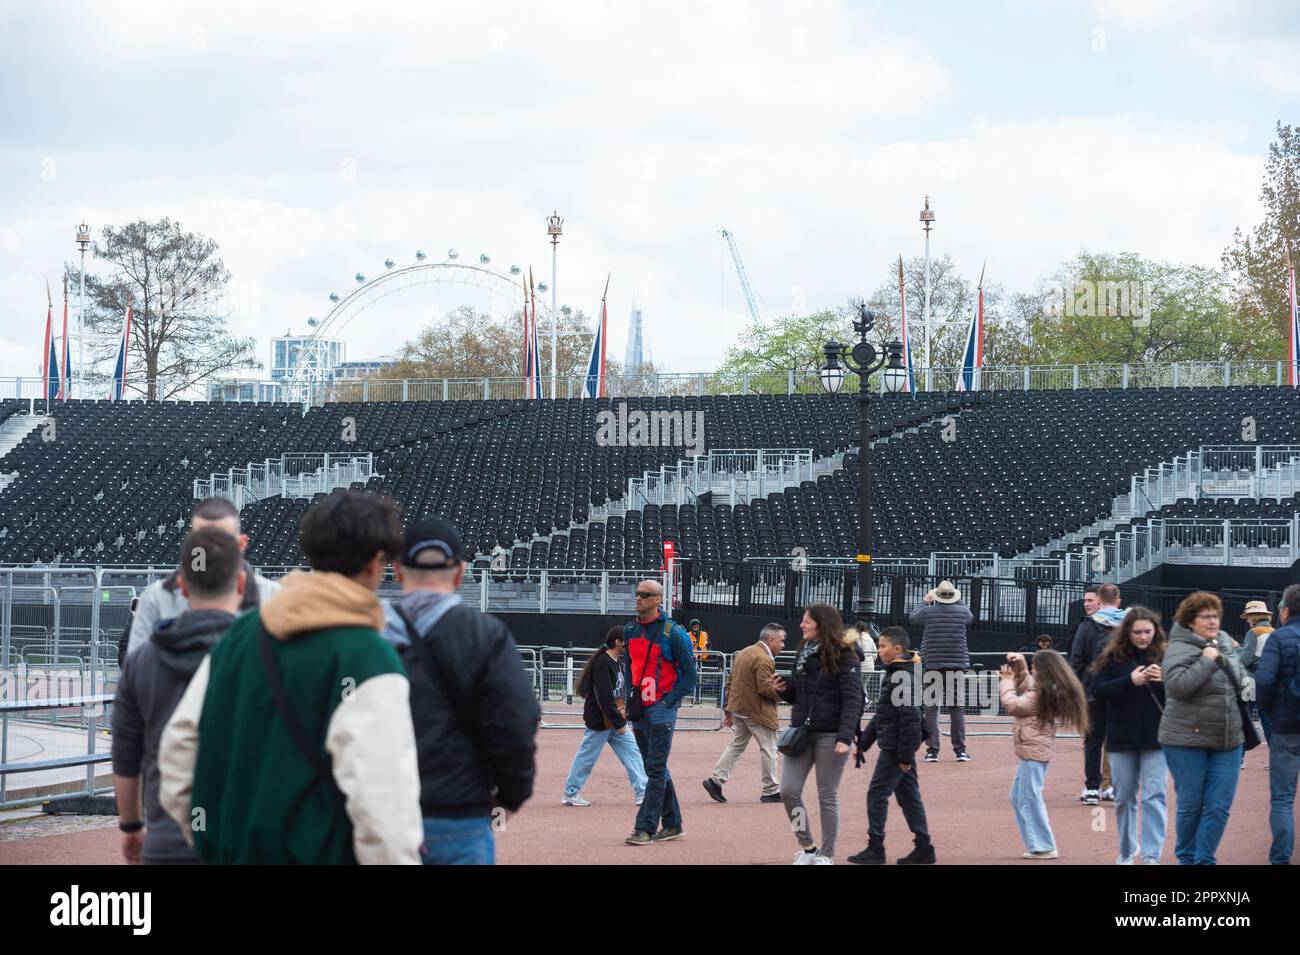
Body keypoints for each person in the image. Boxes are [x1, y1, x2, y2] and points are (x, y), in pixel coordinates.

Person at [159, 490, 422, 864]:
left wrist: (209, 837)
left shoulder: (238, 636)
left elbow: (178, 746)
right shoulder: (369, 657)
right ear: (377, 561)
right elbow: (384, 810)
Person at [381, 516, 540, 864]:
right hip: (459, 814)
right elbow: (516, 724)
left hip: (383, 817)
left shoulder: (369, 635)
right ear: (460, 572)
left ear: (397, 570)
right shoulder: (486, 635)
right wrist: (509, 797)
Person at [112, 527, 245, 864]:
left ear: (182, 586)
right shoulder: (269, 655)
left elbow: (126, 754)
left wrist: (130, 825)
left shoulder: (141, 661)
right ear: (242, 584)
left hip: (167, 843)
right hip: (246, 842)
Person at [1159, 591, 1253, 866]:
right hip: (1186, 739)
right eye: (1206, 617)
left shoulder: (1223, 640)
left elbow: (1240, 676)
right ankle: (1187, 858)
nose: (1213, 621)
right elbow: (1178, 686)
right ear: (1190, 621)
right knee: (1191, 805)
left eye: (1215, 616)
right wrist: (1207, 660)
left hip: (1228, 737)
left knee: (1219, 805)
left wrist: (1239, 670)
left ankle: (1205, 859)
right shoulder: (1177, 646)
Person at [124, 497, 280, 659]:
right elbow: (136, 669)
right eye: (203, 540)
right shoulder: (156, 597)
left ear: (241, 544)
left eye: (222, 540)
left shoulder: (273, 596)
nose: (211, 549)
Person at [772, 603, 862, 865]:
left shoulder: (845, 654)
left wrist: (845, 737)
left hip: (831, 734)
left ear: (821, 623)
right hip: (802, 731)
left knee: (827, 795)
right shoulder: (804, 651)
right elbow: (800, 695)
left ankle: (827, 853)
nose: (801, 625)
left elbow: (852, 699)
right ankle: (807, 846)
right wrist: (784, 690)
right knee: (788, 790)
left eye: (806, 621)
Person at [847, 626, 933, 865]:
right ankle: (924, 847)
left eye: (882, 646)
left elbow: (910, 719)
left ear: (897, 649)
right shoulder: (901, 671)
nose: (879, 650)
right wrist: (864, 743)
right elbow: (884, 714)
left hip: (896, 748)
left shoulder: (902, 675)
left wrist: (905, 756)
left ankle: (876, 848)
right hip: (898, 745)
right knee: (909, 797)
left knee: (877, 794)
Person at [1090, 606, 1169, 865]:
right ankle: (1126, 850)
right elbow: (1097, 690)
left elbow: (1183, 693)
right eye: (1137, 632)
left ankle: (1150, 855)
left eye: (1147, 631)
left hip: (1157, 738)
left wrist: (1164, 680)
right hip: (1122, 736)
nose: (1143, 637)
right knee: (1124, 796)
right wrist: (1129, 682)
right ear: (1128, 632)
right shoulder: (1113, 657)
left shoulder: (1166, 655)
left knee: (1154, 795)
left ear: (1155, 631)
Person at [623, 579, 697, 846]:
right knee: (655, 768)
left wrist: (668, 703)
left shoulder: (673, 633)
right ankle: (674, 824)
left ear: (658, 599)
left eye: (645, 595)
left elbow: (690, 676)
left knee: (654, 769)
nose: (638, 598)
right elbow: (628, 668)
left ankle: (645, 828)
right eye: (638, 593)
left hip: (661, 710)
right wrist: (626, 699)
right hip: (640, 710)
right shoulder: (630, 629)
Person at [998, 649, 1089, 861]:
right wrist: (1019, 665)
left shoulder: (1043, 694)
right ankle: (1036, 844)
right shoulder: (1045, 689)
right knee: (1018, 797)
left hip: (1033, 751)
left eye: (1034, 668)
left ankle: (1043, 845)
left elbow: (1013, 705)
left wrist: (1006, 681)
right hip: (1031, 749)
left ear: (1044, 671)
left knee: (1030, 797)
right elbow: (1027, 685)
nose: (1032, 671)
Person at [562, 626, 647, 807]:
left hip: (613, 718)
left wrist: (621, 713)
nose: (630, 645)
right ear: (618, 642)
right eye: (627, 642)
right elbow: (604, 697)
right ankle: (570, 792)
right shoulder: (603, 662)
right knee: (587, 757)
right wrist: (619, 722)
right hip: (600, 720)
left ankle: (643, 791)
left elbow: (615, 694)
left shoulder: (616, 661)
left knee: (633, 753)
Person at [703, 623, 786, 805]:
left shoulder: (744, 652)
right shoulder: (763, 659)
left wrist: (728, 708)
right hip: (757, 711)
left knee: (737, 745)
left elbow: (731, 681)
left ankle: (716, 780)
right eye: (781, 641)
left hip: (740, 709)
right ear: (771, 640)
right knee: (770, 749)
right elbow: (765, 689)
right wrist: (785, 694)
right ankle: (771, 790)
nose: (783, 645)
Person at [1256, 583, 1300, 864]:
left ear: (1285, 611)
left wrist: (1269, 708)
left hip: (1287, 724)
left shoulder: (1280, 637)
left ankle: (1281, 859)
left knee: (1282, 799)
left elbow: (1264, 680)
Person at [1070, 582, 1125, 804]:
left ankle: (1092, 788)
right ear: (1119, 601)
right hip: (1122, 692)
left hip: (1094, 692)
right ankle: (1111, 786)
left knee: (1092, 741)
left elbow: (1076, 661)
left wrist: (1078, 691)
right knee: (1115, 742)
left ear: (1100, 601)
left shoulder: (1087, 626)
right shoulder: (1129, 624)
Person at [913, 580, 973, 762]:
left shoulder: (928, 611)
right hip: (956, 666)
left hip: (932, 665)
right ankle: (960, 750)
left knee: (931, 709)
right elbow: (971, 618)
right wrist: (958, 599)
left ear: (937, 596)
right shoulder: (963, 612)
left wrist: (925, 600)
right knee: (956, 708)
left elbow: (913, 618)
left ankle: (932, 750)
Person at [1239, 600, 1277, 744]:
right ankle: (1275, 756)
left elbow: (1244, 660)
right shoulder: (1274, 632)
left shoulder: (1253, 632)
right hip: (1269, 680)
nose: (1247, 620)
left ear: (1253, 616)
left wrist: (1236, 649)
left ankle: (1240, 758)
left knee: (1245, 718)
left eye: (1248, 616)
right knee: (1268, 721)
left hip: (1251, 680)